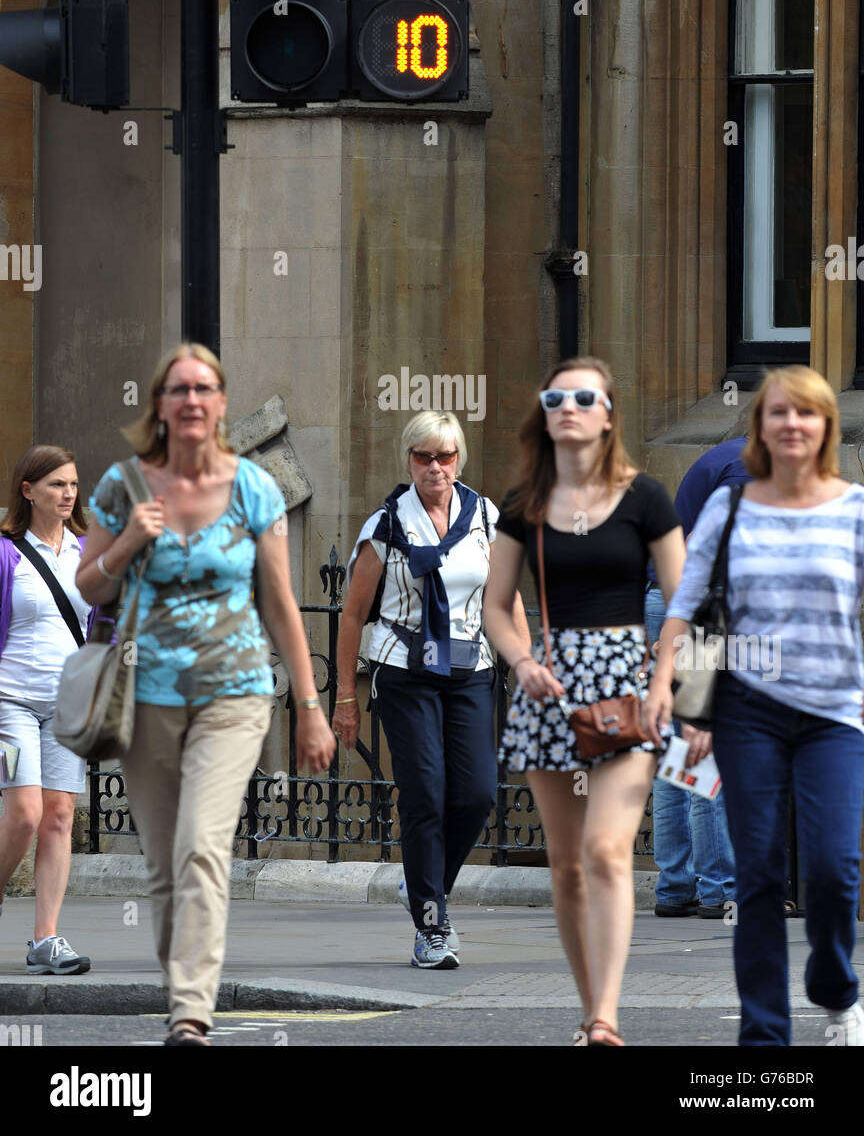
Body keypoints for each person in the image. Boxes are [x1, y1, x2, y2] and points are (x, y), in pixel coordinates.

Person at [77, 343, 335, 1046]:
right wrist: (129, 540)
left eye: (205, 389)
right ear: (159, 405)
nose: (191, 400)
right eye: (178, 389)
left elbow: (281, 600)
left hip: (235, 692)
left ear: (220, 404)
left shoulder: (254, 488)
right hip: (146, 695)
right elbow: (89, 586)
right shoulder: (121, 485)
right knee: (164, 863)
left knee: (200, 846)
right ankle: (182, 991)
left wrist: (309, 706)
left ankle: (191, 1012)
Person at [646, 365, 864, 1047]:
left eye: (805, 414)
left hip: (834, 715)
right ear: (759, 427)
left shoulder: (855, 508)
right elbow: (687, 601)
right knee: (759, 874)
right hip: (750, 714)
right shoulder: (731, 508)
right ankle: (764, 1040)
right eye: (778, 414)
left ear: (826, 426)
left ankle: (836, 991)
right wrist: (668, 687)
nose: (791, 425)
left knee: (832, 868)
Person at [484, 357, 685, 1046]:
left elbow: (685, 604)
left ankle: (607, 1016)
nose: (568, 406)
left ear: (607, 414)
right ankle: (588, 1007)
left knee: (606, 851)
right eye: (556, 397)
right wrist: (521, 660)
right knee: (566, 865)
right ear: (544, 414)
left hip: (626, 686)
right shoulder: (523, 507)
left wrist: (664, 684)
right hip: (552, 685)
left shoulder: (646, 498)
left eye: (583, 397)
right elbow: (494, 606)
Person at [334, 410, 529, 970]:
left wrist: (527, 660)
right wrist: (345, 699)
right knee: (423, 790)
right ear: (408, 460)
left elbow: (506, 594)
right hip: (404, 670)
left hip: (470, 668)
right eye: (424, 456)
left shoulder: (486, 517)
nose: (435, 467)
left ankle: (424, 887)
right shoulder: (386, 526)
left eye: (446, 456)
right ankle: (431, 923)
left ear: (459, 459)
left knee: (476, 792)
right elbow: (351, 616)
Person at [0, 445, 92, 975]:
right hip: (10, 703)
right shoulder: (7, 552)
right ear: (28, 490)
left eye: (74, 484)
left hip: (68, 707)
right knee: (25, 813)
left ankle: (46, 939)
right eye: (57, 484)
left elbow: (105, 620)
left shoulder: (85, 552)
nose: (68, 494)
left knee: (59, 816)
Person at [645, 440, 742, 919]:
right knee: (703, 745)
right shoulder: (750, 469)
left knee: (676, 751)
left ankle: (675, 887)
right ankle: (719, 887)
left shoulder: (727, 457)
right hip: (697, 607)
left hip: (668, 600)